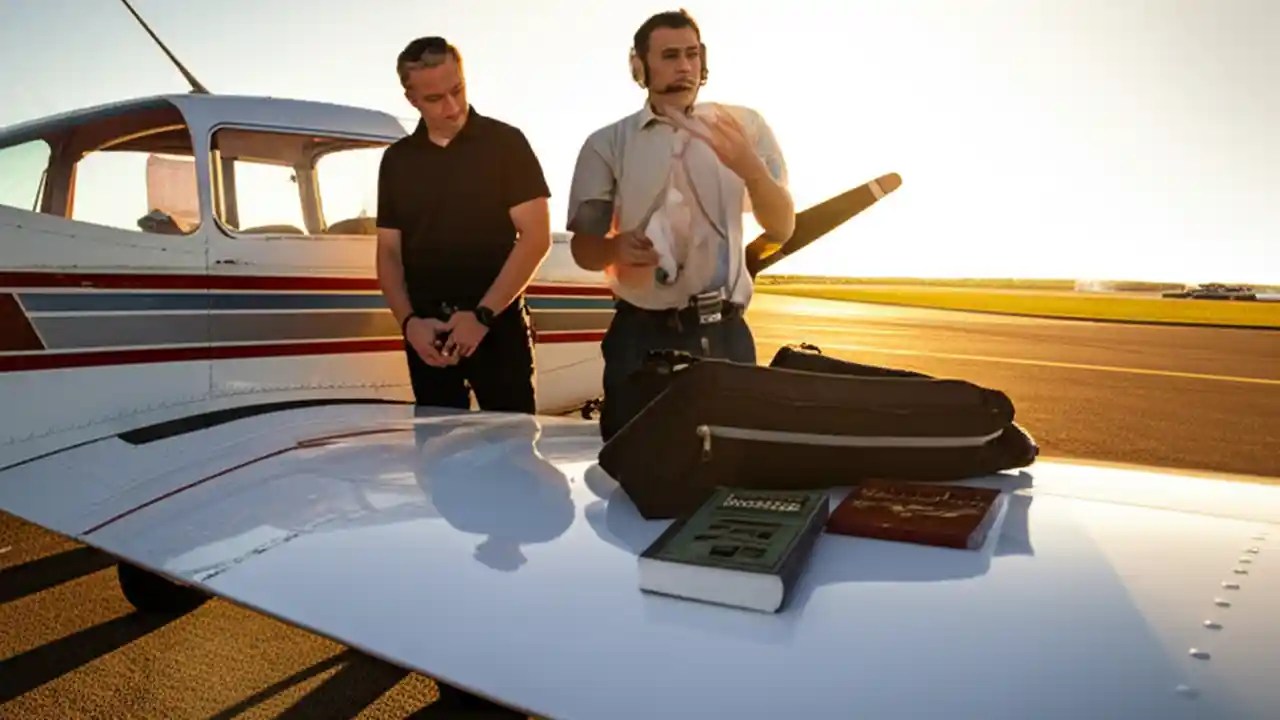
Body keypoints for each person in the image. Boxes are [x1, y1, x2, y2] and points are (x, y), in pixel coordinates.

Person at [565, 9, 796, 440]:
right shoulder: (606, 144)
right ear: (639, 66)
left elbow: (782, 227)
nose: (685, 66)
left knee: (730, 460)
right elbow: (583, 248)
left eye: (692, 54)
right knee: (630, 458)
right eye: (670, 56)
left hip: (726, 336)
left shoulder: (746, 127)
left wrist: (750, 167)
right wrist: (614, 249)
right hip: (640, 339)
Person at [376, 36, 553, 415]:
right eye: (434, 98)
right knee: (435, 448)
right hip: (428, 336)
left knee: (511, 447)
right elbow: (388, 251)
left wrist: (482, 316)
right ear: (411, 99)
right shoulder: (396, 161)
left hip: (498, 330)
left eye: (457, 90)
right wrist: (409, 324)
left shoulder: (506, 144)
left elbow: (536, 237)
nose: (452, 107)